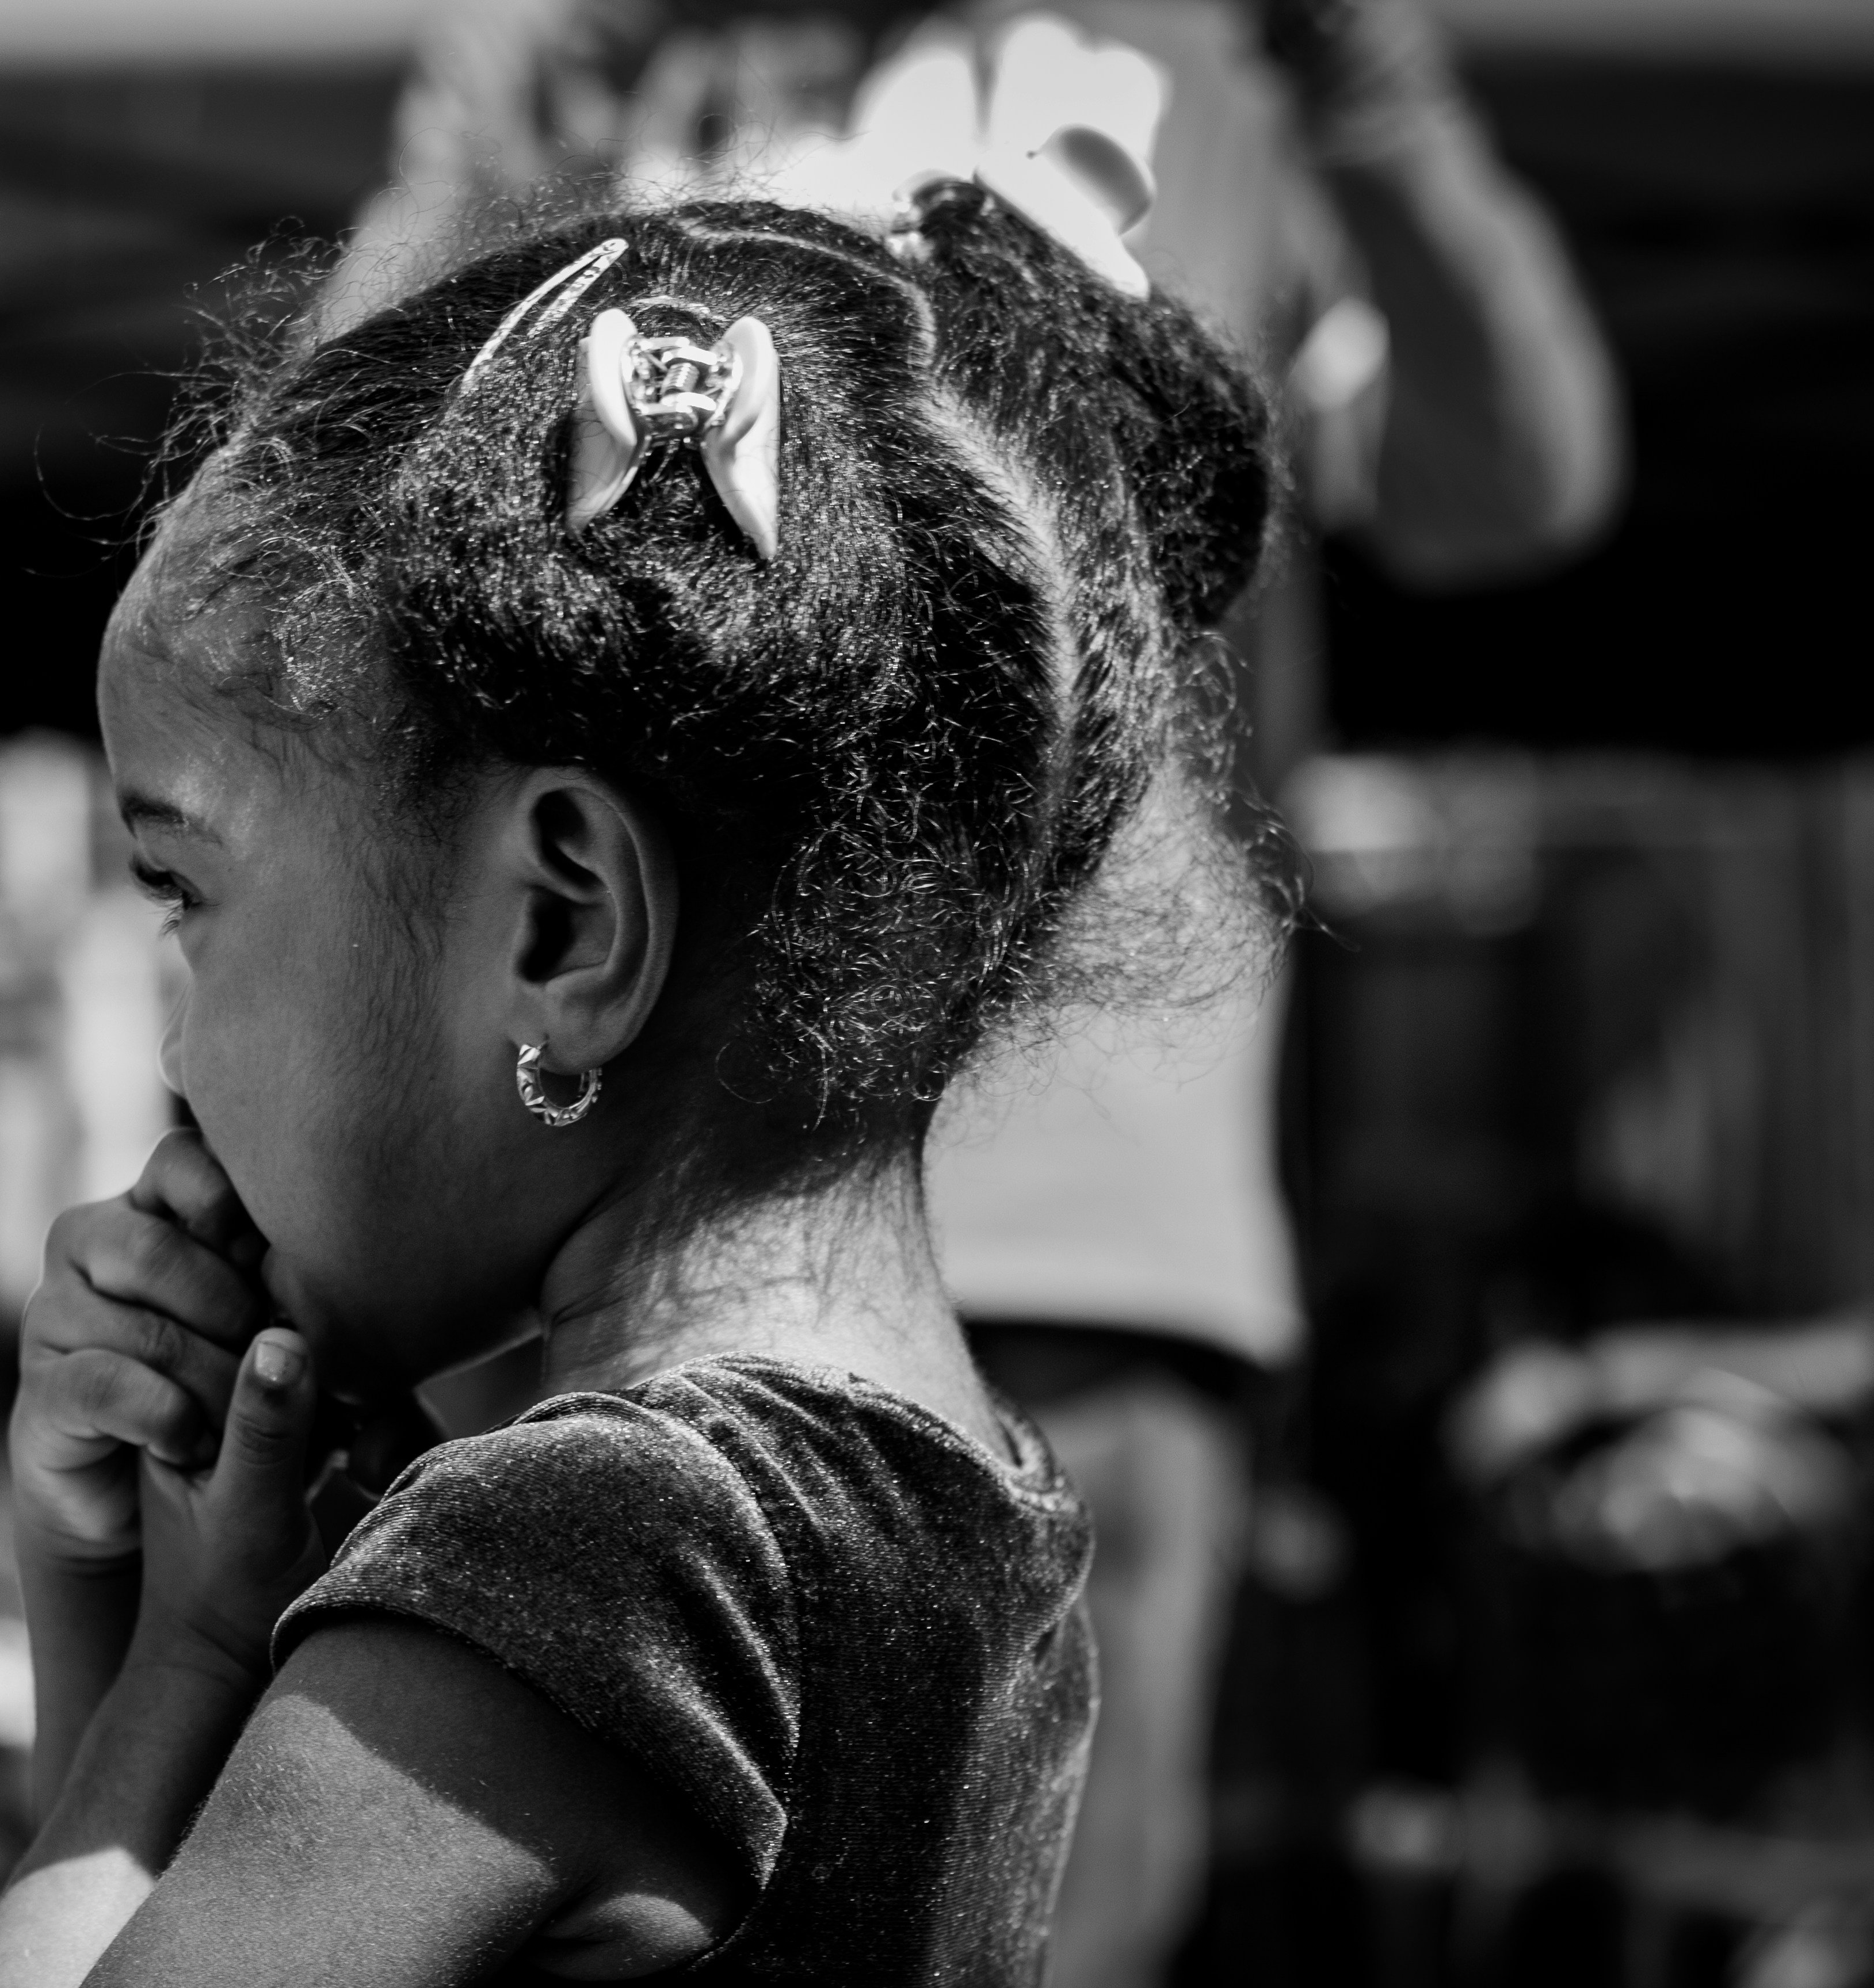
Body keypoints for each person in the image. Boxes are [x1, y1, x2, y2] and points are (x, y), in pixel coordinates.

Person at [326, 6, 1623, 1979]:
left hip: (1090, 1198)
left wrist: (1361, 82)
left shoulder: (1214, 60)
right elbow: (329, 499)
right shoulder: (589, 53)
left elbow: (1517, 479)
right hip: (614, 1175)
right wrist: (501, 127)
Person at [0, 146, 1280, 1979]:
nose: (179, 1046)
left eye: (185, 892)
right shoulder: (973, 1503)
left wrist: (175, 1654)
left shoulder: (589, 1562)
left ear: (565, 924)